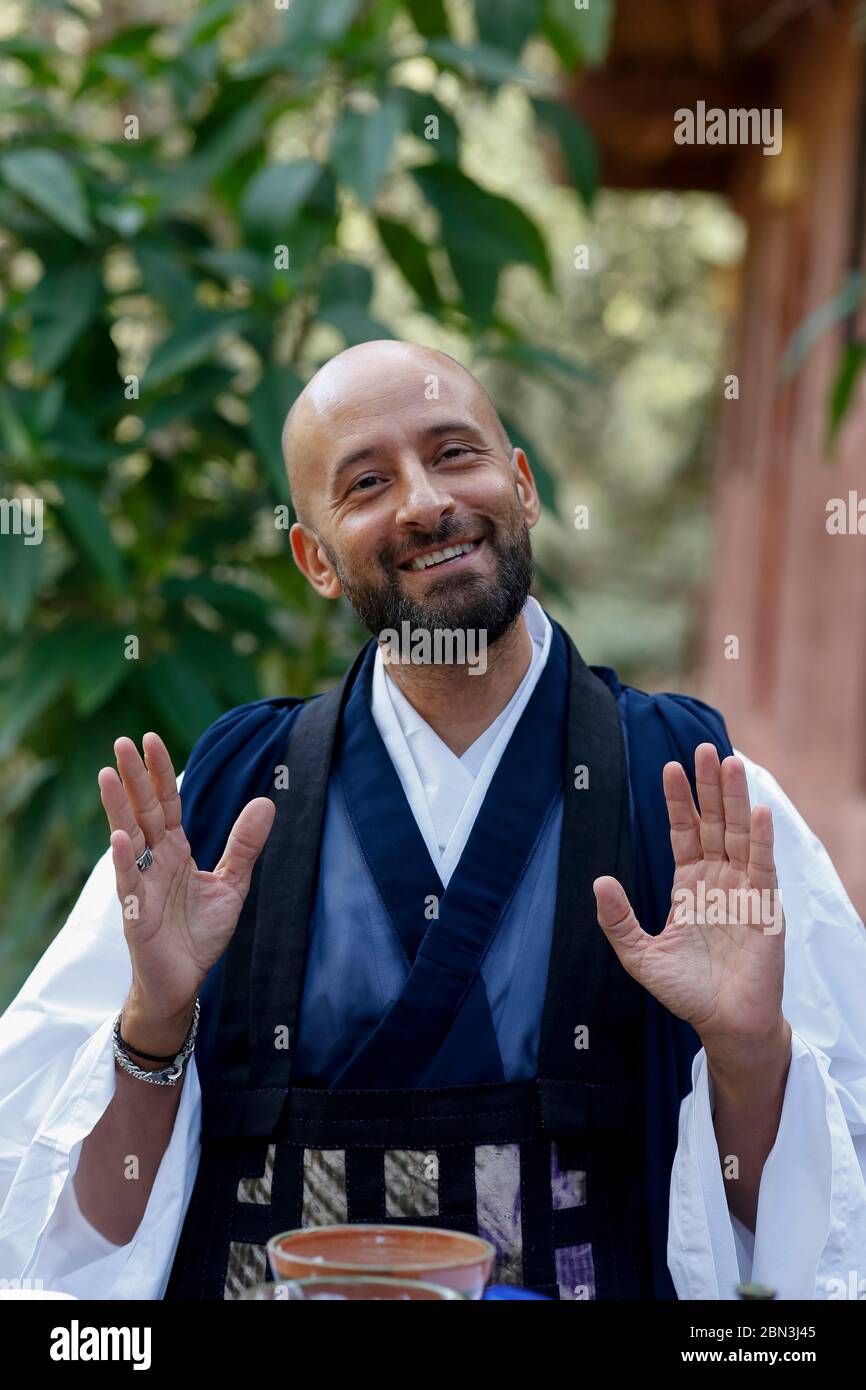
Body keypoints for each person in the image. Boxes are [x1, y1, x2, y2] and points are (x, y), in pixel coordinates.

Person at [1, 340, 864, 1301]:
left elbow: (814, 1259)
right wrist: (156, 1022)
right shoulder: (222, 804)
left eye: (455, 454)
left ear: (523, 486)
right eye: (367, 481)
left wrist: (748, 1051)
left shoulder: (698, 800)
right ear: (315, 558)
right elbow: (65, 1242)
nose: (423, 502)